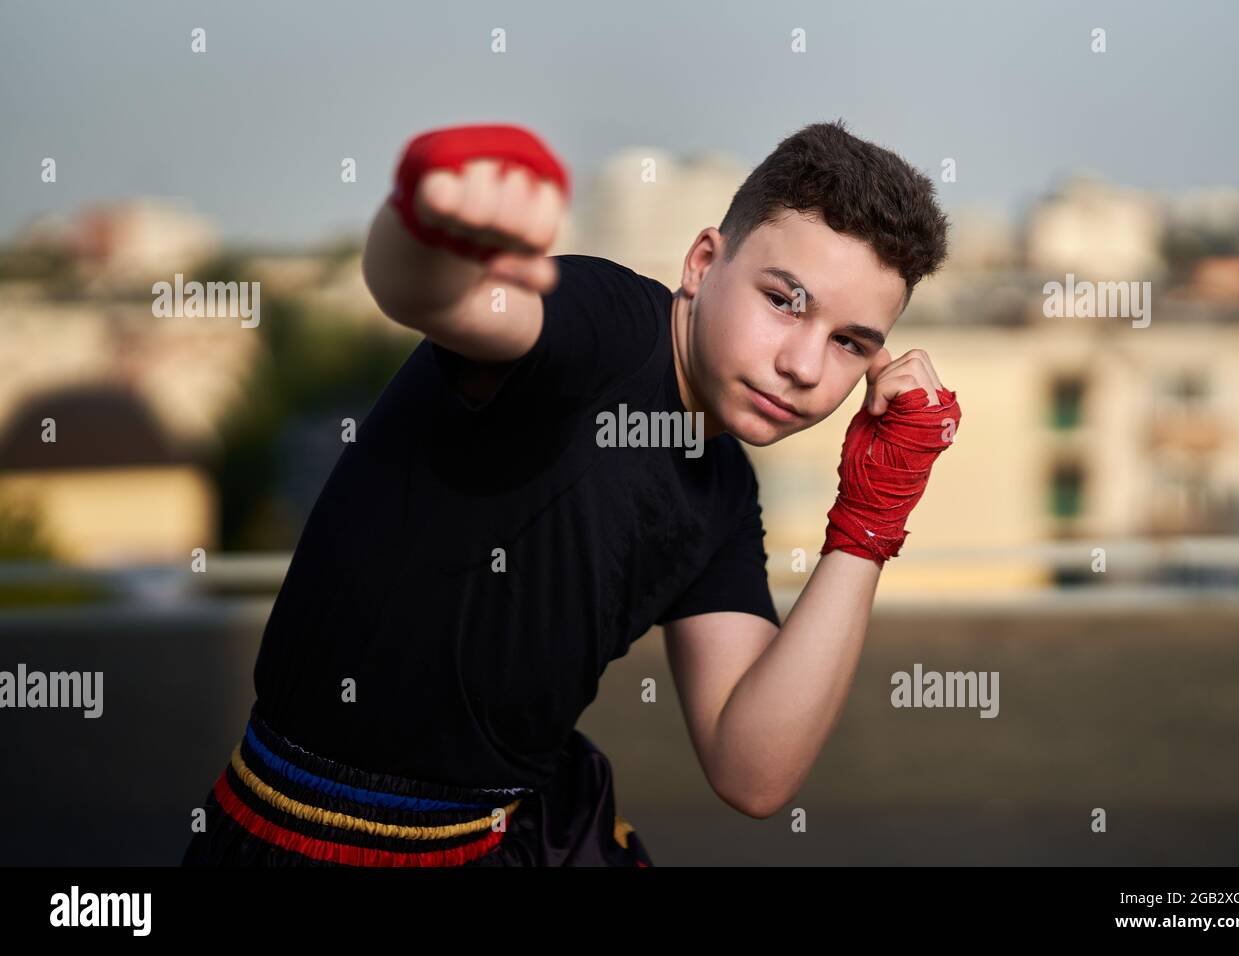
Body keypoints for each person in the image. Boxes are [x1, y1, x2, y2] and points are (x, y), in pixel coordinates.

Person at [182, 118, 960, 867]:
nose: (803, 363)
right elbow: (439, 300)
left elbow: (752, 770)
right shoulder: (610, 325)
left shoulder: (723, 486)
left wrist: (873, 515)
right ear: (700, 264)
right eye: (784, 300)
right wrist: (427, 217)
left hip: (504, 836)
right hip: (296, 833)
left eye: (849, 342)